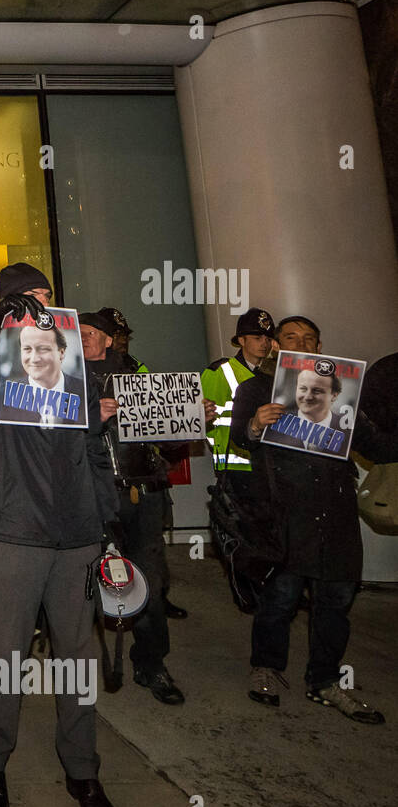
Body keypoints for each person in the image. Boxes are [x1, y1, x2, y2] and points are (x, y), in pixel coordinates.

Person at [0, 263, 123, 807]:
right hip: (15, 526)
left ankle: (83, 771)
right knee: (6, 652)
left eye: (48, 295)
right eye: (32, 297)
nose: (45, 303)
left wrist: (97, 423)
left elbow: (88, 437)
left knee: (77, 657)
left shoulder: (69, 353)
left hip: (75, 527)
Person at [232, 315, 398, 723]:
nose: (303, 344)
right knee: (280, 598)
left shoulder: (343, 393)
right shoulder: (257, 389)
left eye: (310, 339)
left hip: (335, 512)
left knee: (336, 600)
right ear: (276, 345)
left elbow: (375, 446)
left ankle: (324, 682)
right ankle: (267, 669)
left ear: (320, 348)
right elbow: (239, 436)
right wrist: (256, 424)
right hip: (284, 514)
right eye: (292, 338)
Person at [80, 312, 184, 705]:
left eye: (91, 333)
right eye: (79, 333)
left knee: (149, 582)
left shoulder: (139, 378)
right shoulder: (62, 378)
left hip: (141, 493)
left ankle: (152, 663)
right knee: (82, 581)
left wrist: (190, 420)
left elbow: (172, 443)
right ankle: (76, 662)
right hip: (88, 494)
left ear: (110, 340)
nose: (84, 339)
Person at [201, 308, 277, 493]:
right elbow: (205, 418)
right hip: (235, 465)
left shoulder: (273, 373)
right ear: (241, 340)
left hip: (266, 463)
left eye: (268, 339)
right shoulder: (220, 371)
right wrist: (220, 453)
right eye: (257, 338)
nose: (264, 344)